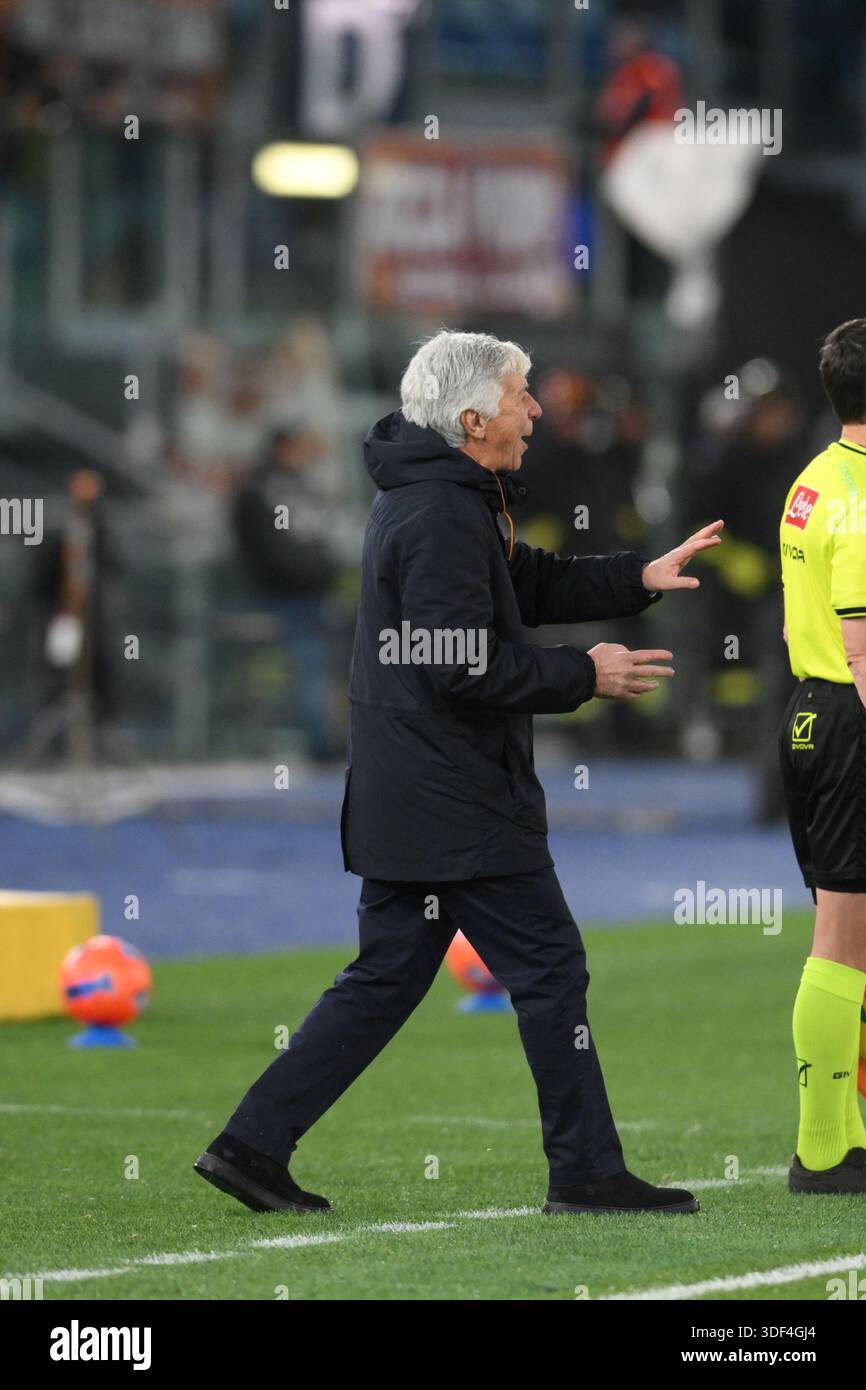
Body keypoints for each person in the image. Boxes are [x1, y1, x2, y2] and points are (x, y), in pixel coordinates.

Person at [194, 331, 722, 1217]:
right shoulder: (441, 510)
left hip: (415, 791)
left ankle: (250, 1145)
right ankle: (586, 1173)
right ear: (474, 419)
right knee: (549, 969)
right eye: (521, 395)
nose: (536, 411)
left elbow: (526, 586)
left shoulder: (440, 497)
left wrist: (639, 576)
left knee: (387, 978)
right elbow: (459, 662)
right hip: (458, 797)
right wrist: (583, 675)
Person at [778, 318, 866, 1195]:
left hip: (812, 711)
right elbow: (864, 646)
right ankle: (824, 1152)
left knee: (851, 936)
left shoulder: (815, 479)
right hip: (851, 719)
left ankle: (844, 1137)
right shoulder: (863, 497)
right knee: (842, 937)